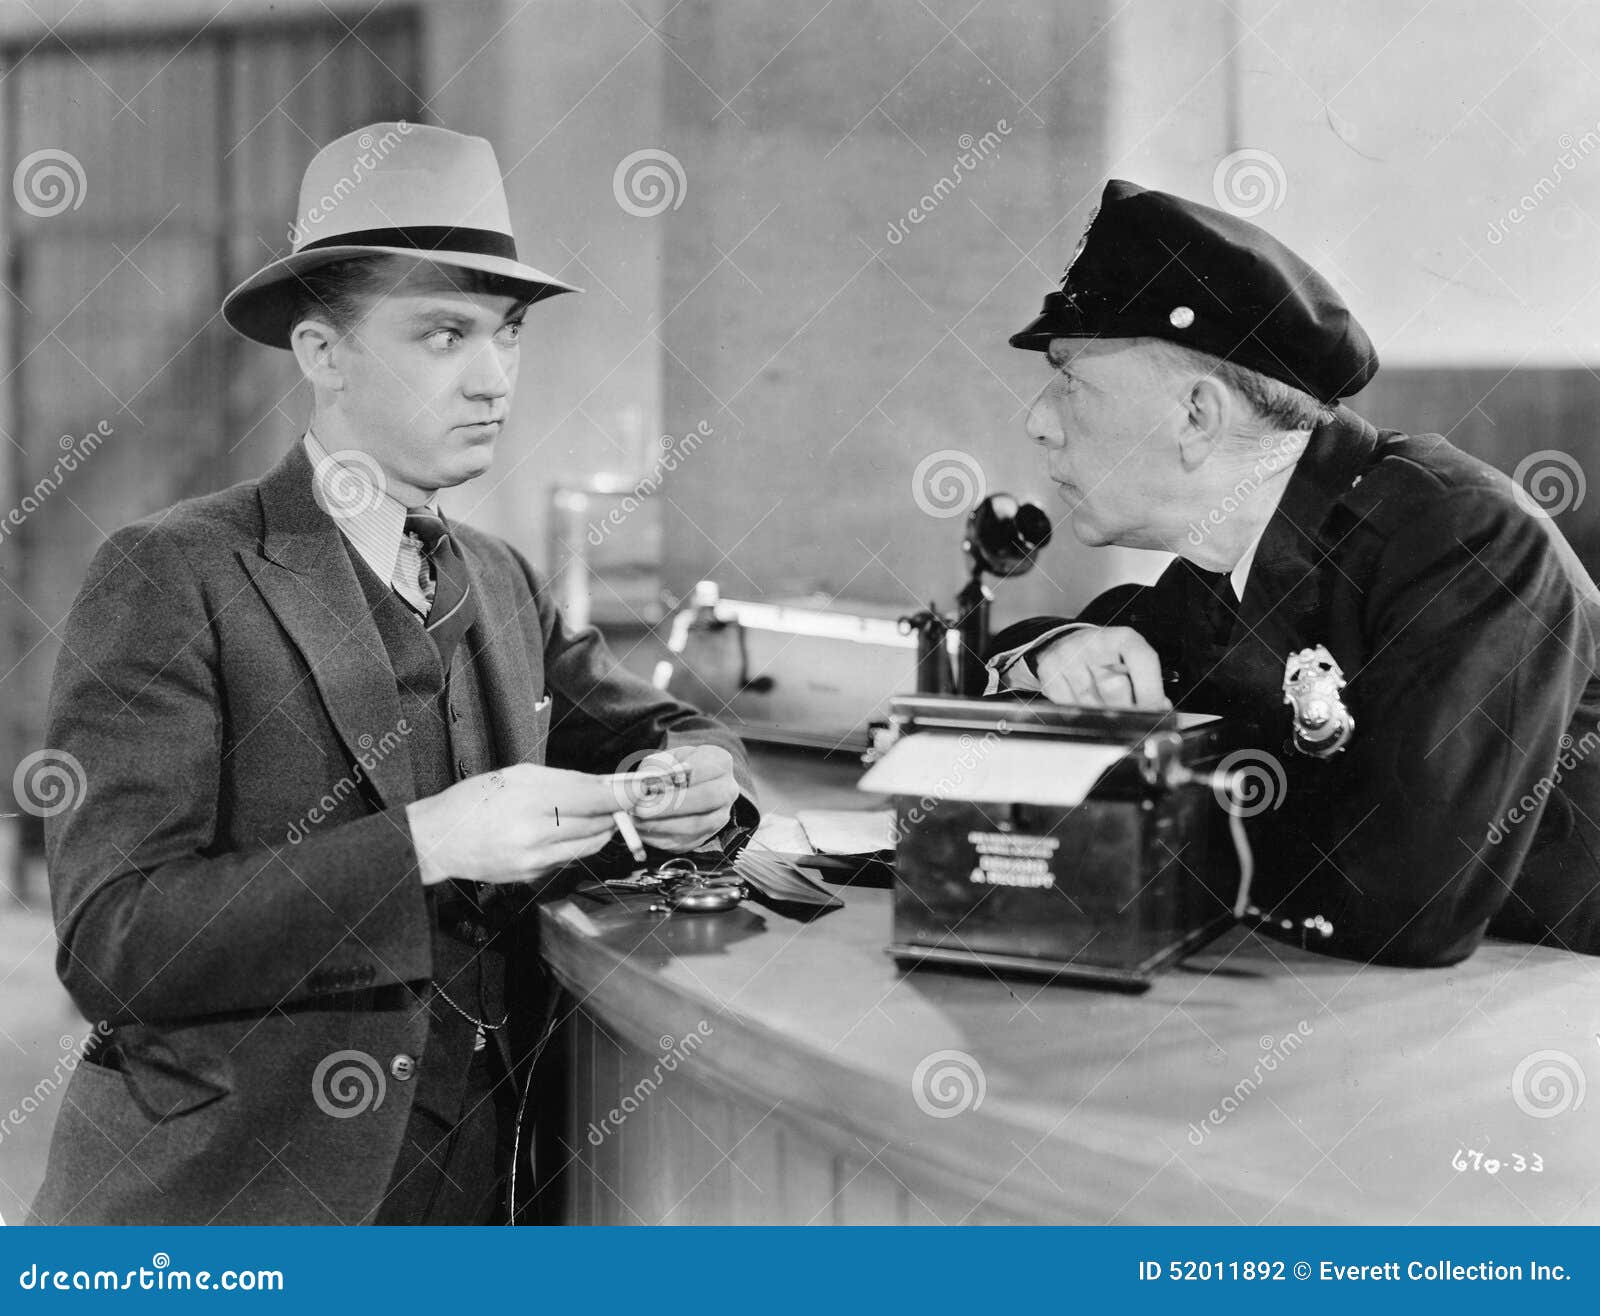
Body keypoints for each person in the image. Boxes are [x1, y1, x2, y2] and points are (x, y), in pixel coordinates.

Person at [28, 123, 757, 1225]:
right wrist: (428, 843)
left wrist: (701, 774)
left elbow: (665, 730)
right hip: (243, 1204)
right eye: (444, 335)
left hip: (484, 1198)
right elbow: (113, 945)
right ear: (323, 354)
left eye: (508, 334)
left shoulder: (501, 580)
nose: (494, 379)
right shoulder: (175, 572)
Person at [990, 178, 1600, 968]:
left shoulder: (1462, 538)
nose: (1038, 421)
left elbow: (1403, 902)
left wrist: (1157, 800)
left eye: (1070, 380)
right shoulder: (1237, 553)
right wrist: (1058, 653)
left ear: (1198, 417)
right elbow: (1050, 643)